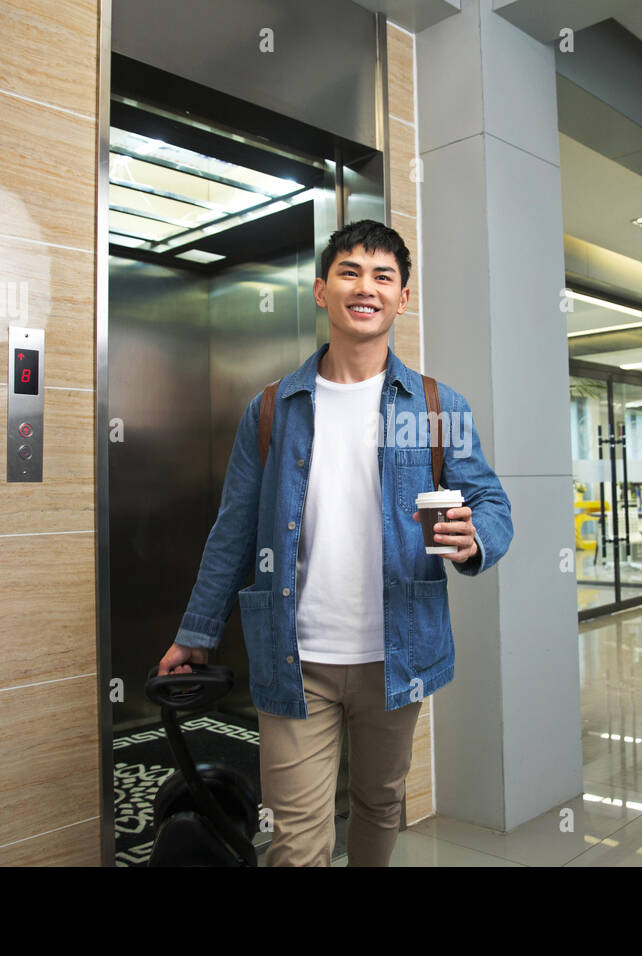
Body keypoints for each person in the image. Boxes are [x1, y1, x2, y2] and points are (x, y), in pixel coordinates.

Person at [157, 220, 513, 866]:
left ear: (403, 297)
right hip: (295, 659)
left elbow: (492, 503)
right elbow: (232, 531)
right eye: (350, 272)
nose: (366, 288)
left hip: (396, 653)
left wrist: (474, 537)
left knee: (380, 804)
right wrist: (196, 630)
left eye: (384, 276)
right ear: (322, 291)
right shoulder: (271, 410)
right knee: (298, 841)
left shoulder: (436, 406)